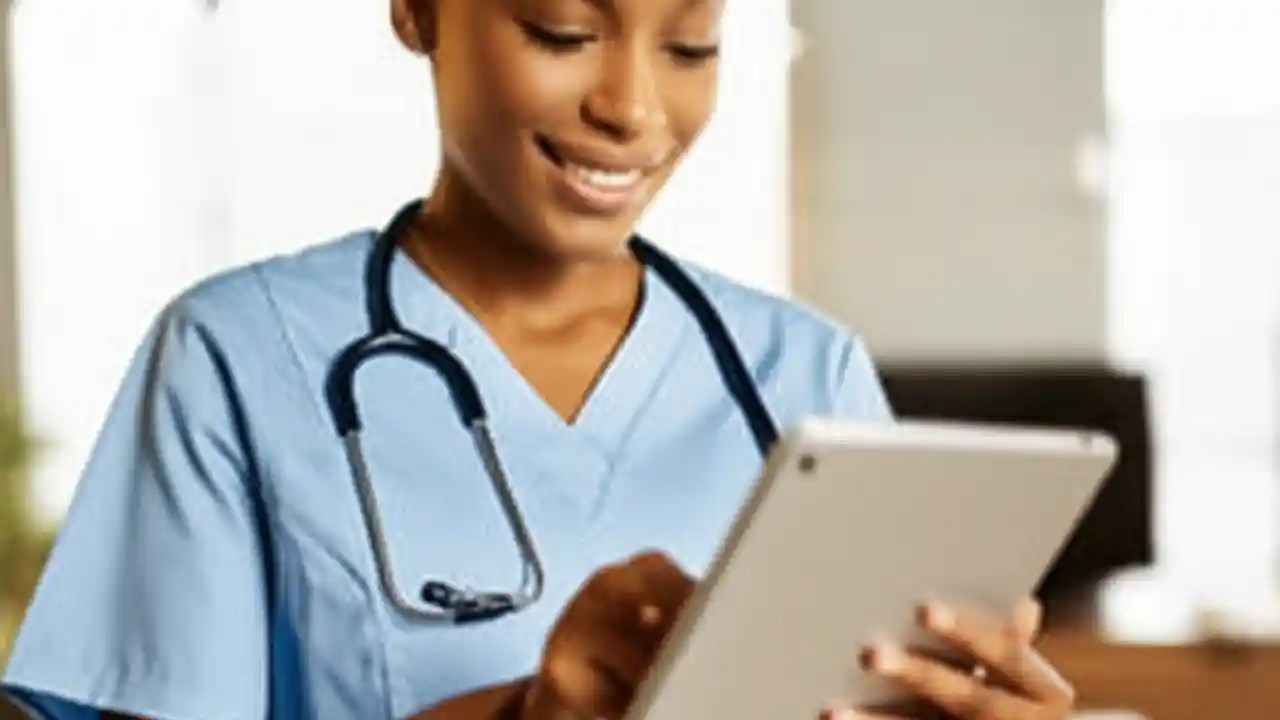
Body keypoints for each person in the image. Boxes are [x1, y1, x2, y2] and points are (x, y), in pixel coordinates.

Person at [2, 1, 1078, 719]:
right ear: (417, 8)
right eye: (564, 30)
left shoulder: (806, 374)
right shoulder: (235, 359)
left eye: (691, 44)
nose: (632, 107)